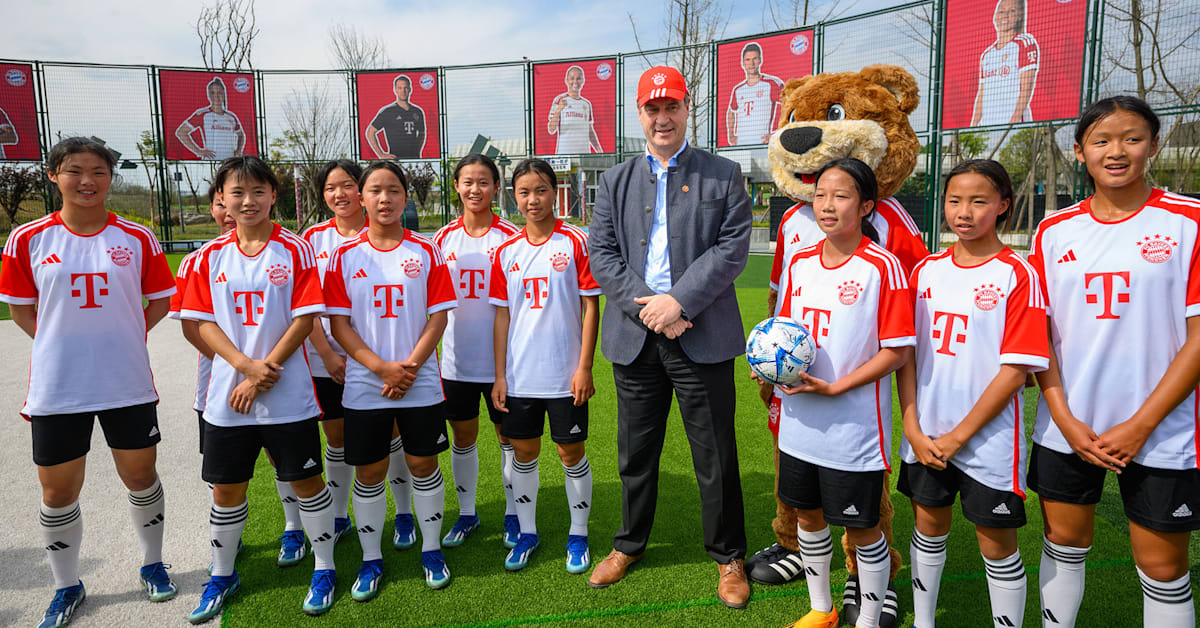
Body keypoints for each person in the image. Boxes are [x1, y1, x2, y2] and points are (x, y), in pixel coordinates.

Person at [1027, 96, 1199, 628]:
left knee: (1162, 564)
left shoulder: (1189, 221)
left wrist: (1141, 424)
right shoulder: (1053, 231)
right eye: (1101, 141)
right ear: (1080, 152)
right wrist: (1063, 417)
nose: (1116, 151)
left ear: (1155, 144)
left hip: (1163, 429)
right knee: (1064, 540)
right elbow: (1038, 338)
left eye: (1131, 138)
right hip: (1069, 426)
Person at [587, 65, 753, 608]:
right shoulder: (613, 180)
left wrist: (677, 302)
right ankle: (629, 544)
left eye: (672, 107)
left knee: (716, 455)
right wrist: (653, 312)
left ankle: (729, 556)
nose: (662, 118)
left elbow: (731, 249)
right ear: (640, 114)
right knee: (635, 452)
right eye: (652, 109)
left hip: (699, 331)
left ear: (687, 110)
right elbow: (603, 257)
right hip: (637, 336)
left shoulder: (723, 174)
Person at [0, 137, 178, 628]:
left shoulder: (137, 238)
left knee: (141, 477)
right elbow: (20, 310)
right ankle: (65, 586)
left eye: (99, 172)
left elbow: (160, 300)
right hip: (59, 387)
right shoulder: (28, 238)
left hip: (126, 382)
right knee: (58, 492)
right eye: (74, 170)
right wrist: (65, 342)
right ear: (53, 175)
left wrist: (122, 336)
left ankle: (152, 564)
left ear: (110, 178)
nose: (87, 181)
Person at [180, 156, 339, 622]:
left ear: (274, 196)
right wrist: (245, 367)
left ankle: (324, 567)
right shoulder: (208, 257)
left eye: (257, 192)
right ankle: (223, 574)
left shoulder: (296, 250)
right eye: (237, 192)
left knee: (306, 481)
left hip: (287, 393)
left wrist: (262, 371)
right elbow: (201, 323)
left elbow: (305, 318)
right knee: (227, 490)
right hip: (228, 398)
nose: (247, 201)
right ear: (223, 199)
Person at [897, 159, 1049, 628]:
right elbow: (907, 355)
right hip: (924, 435)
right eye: (955, 200)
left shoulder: (1018, 275)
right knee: (928, 527)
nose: (964, 212)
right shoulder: (924, 271)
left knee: (995, 542)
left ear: (1003, 205)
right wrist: (912, 427)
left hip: (985, 443)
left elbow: (1014, 371)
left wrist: (957, 437)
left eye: (979, 201)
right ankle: (924, 622)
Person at [769, 158, 914, 628]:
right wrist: (769, 367)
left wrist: (837, 387)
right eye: (821, 194)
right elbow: (785, 332)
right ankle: (821, 608)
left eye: (841, 195)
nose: (827, 205)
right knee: (808, 517)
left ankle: (868, 618)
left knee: (862, 527)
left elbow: (896, 351)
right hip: (798, 424)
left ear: (867, 205)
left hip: (853, 432)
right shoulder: (801, 263)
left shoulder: (882, 266)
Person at [323, 161, 457, 596]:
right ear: (362, 198)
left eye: (394, 190)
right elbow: (339, 325)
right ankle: (371, 559)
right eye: (376, 190)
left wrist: (411, 367)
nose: (385, 198)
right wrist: (380, 367)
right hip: (366, 384)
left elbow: (438, 316)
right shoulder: (344, 256)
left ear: (405, 198)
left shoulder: (427, 250)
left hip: (420, 380)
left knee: (422, 463)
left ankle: (431, 549)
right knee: (370, 471)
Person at [489, 158, 601, 573]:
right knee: (524, 451)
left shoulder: (574, 241)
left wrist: (584, 366)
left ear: (555, 192)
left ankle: (578, 533)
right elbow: (502, 316)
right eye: (524, 192)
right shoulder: (506, 252)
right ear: (513, 196)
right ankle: (528, 531)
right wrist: (500, 375)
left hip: (564, 374)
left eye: (540, 190)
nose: (532, 199)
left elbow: (591, 306)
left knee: (570, 452)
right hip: (520, 376)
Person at [432, 154, 521, 549]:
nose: (475, 189)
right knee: (463, 438)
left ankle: (516, 514)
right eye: (467, 182)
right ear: (456, 186)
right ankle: (467, 513)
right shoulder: (442, 239)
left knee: (510, 440)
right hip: (456, 362)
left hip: (504, 364)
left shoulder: (511, 237)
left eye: (483, 182)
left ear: (496, 188)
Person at [970, 0, 1039, 126]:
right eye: (1001, 11)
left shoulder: (1024, 43)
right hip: (988, 126)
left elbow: (1026, 89)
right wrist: (974, 124)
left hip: (1015, 126)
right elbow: (982, 93)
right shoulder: (987, 55)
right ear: (995, 17)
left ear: (1019, 16)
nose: (1005, 15)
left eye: (1012, 11)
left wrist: (1013, 122)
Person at [725, 42, 785, 146]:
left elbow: (789, 105)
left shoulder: (772, 84)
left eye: (755, 59)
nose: (751, 63)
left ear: (760, 60)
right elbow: (731, 111)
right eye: (748, 60)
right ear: (743, 63)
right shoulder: (738, 89)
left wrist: (777, 133)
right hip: (741, 145)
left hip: (763, 144)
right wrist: (731, 135)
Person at [175, 77, 246, 160]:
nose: (216, 96)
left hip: (230, 161)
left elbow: (241, 135)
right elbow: (181, 132)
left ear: (224, 94)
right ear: (208, 95)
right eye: (213, 93)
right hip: (211, 161)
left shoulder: (231, 116)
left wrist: (238, 151)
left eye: (219, 92)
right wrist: (198, 151)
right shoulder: (202, 114)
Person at [365, 75, 426, 159]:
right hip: (395, 159)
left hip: (414, 159)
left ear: (410, 89)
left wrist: (418, 152)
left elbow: (422, 133)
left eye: (405, 88)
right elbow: (370, 132)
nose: (403, 91)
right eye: (400, 88)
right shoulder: (388, 111)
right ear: (395, 90)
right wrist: (381, 154)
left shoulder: (417, 111)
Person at [547, 65, 603, 154]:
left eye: (578, 78)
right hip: (565, 154)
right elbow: (551, 129)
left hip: (584, 154)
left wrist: (599, 151)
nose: (575, 82)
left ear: (583, 80)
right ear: (567, 80)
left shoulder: (586, 104)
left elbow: (590, 130)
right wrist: (558, 110)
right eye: (572, 78)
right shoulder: (559, 100)